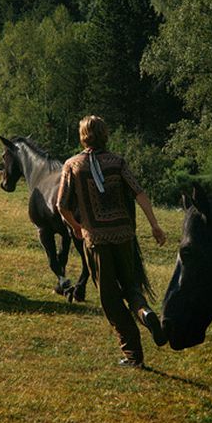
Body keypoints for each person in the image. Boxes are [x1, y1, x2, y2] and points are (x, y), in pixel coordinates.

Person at [57, 115, 167, 368]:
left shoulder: (72, 165)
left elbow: (61, 205)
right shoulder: (117, 163)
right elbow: (139, 192)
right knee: (131, 287)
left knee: (110, 300)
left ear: (83, 136)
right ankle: (146, 314)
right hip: (124, 235)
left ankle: (133, 356)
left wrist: (77, 228)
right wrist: (154, 225)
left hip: (96, 240)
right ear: (105, 134)